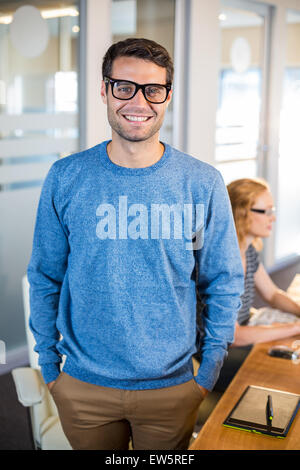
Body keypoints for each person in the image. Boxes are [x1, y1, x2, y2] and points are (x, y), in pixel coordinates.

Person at [27, 38, 244, 450]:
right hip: (83, 386)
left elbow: (223, 279)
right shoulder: (66, 177)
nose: (138, 101)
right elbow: (44, 276)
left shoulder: (201, 182)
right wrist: (50, 366)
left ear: (167, 96)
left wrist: (208, 372)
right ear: (105, 91)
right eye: (124, 87)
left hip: (173, 387)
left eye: (153, 89)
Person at [228, 177, 300, 346]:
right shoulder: (224, 263)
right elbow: (234, 336)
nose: (272, 218)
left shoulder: (248, 249)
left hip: (244, 328)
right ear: (242, 213)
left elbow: (272, 294)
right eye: (266, 211)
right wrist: (296, 327)